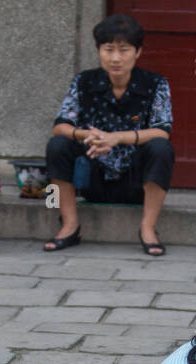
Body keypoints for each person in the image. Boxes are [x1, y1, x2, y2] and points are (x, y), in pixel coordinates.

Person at [43, 14, 175, 256]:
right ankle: (70, 225)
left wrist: (116, 138)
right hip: (93, 177)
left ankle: (148, 228)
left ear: (137, 52)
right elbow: (60, 125)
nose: (115, 58)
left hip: (135, 181)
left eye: (124, 50)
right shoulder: (83, 81)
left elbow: (162, 130)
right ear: (99, 51)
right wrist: (88, 136)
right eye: (108, 49)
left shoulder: (155, 83)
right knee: (58, 145)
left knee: (160, 148)